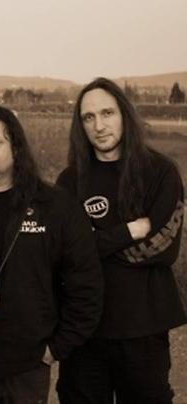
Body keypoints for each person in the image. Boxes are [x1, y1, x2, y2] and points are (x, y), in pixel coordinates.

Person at [0, 104, 103, 404]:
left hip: (27, 368)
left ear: (16, 148)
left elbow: (86, 285)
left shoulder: (55, 207)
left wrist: (55, 349)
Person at [56, 77, 186, 404]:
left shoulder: (160, 172)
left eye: (107, 113)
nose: (99, 126)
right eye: (88, 117)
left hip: (143, 328)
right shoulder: (70, 181)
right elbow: (64, 252)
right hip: (84, 330)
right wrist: (128, 232)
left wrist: (93, 242)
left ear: (124, 114)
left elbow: (162, 248)